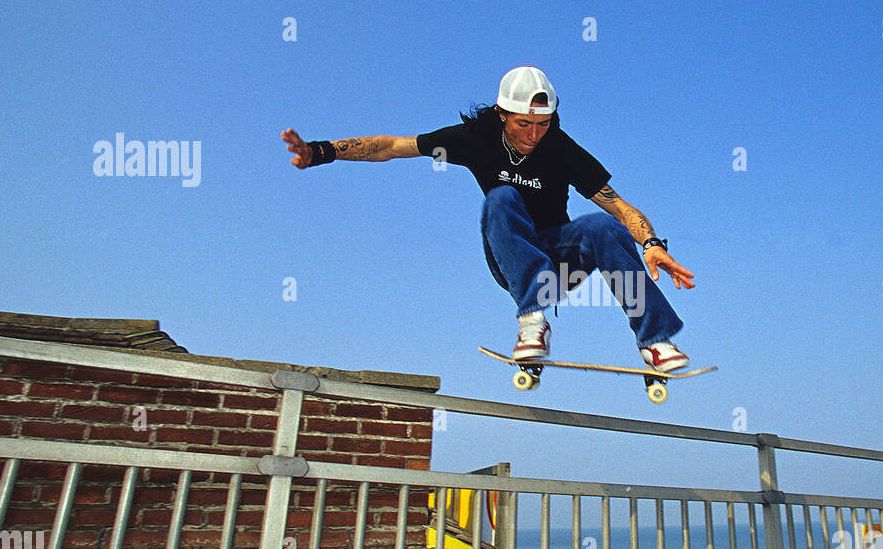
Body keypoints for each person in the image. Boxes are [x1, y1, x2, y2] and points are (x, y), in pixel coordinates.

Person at [281, 66, 695, 370]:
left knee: (603, 225)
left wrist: (652, 244)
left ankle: (655, 340)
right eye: (524, 125)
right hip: (511, 260)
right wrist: (320, 152)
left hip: (560, 262)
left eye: (543, 125)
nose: (534, 135)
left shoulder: (561, 148)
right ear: (502, 115)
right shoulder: (473, 139)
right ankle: (532, 320)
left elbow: (619, 206)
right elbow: (392, 146)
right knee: (500, 198)